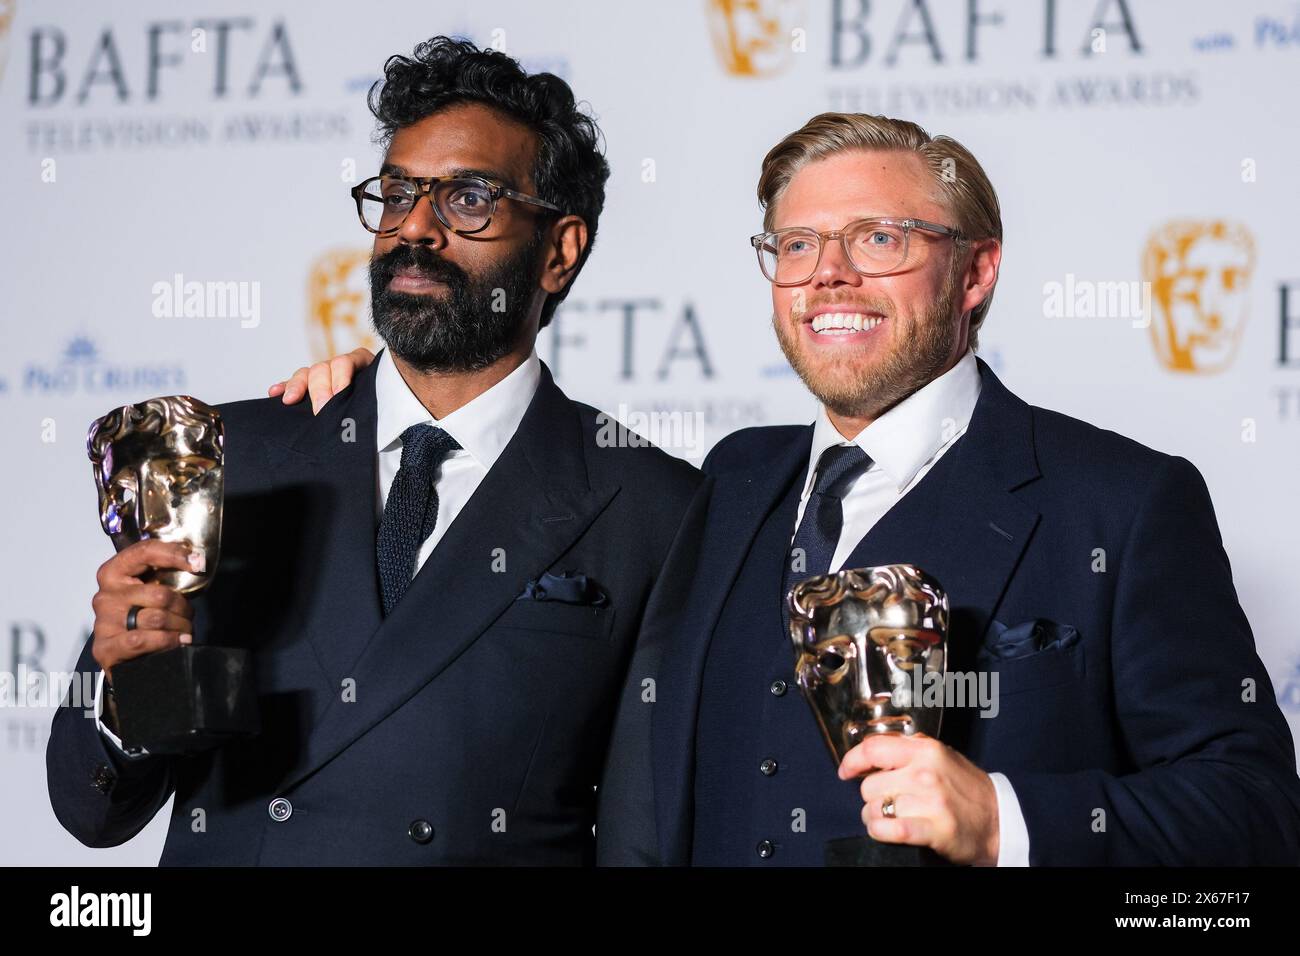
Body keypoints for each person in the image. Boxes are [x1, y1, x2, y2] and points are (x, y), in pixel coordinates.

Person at [288, 112, 1300, 866]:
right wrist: (389, 402)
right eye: (799, 245)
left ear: (976, 271)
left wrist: (1009, 819)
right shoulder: (727, 480)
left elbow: (1256, 811)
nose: (829, 276)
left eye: (881, 240)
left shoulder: (1120, 503)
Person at [47, 36, 701, 866]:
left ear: (560, 250)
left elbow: (642, 836)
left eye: (468, 198)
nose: (415, 229)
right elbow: (88, 808)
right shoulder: (231, 453)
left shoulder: (652, 505)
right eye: (397, 194)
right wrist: (127, 685)